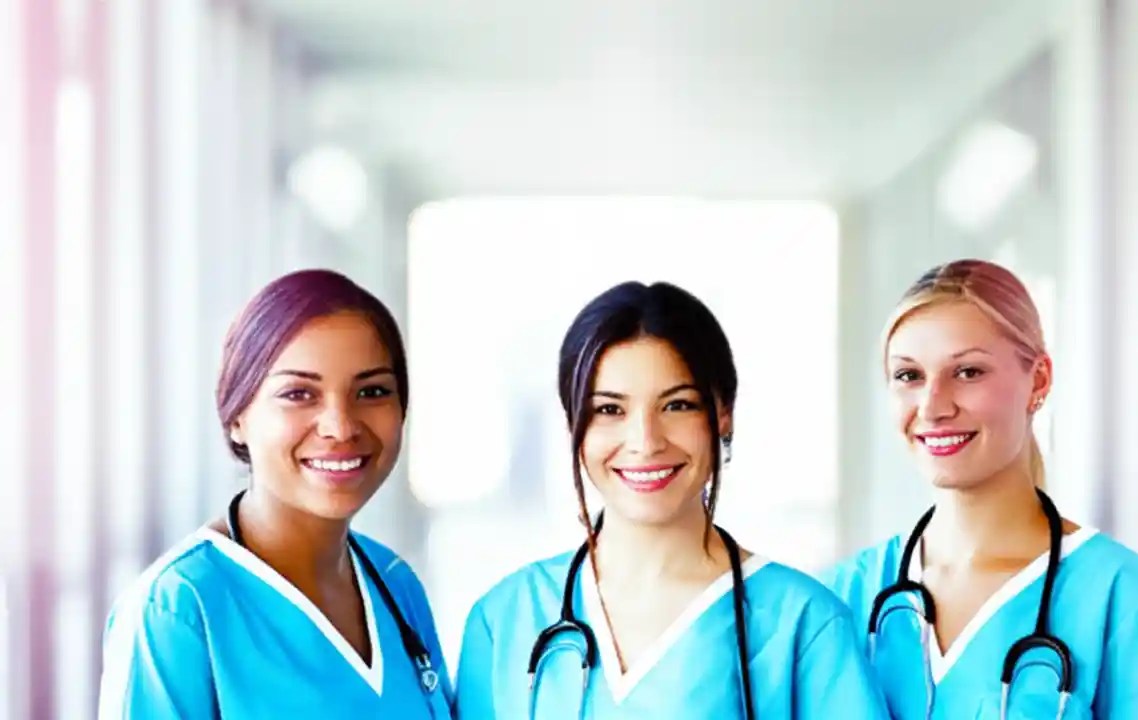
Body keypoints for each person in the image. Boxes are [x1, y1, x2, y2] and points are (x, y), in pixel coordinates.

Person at [453, 281, 889, 719]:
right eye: (609, 410)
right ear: (573, 424)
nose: (645, 442)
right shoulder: (506, 618)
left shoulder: (803, 623)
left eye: (677, 405)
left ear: (723, 414)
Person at [821, 259, 1138, 718]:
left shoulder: (1118, 596)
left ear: (1039, 381)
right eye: (909, 376)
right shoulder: (842, 598)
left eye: (968, 372)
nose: (932, 407)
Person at [97, 269, 453, 719]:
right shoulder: (177, 609)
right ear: (237, 415)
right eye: (299, 393)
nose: (340, 426)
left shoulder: (394, 584)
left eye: (372, 391)